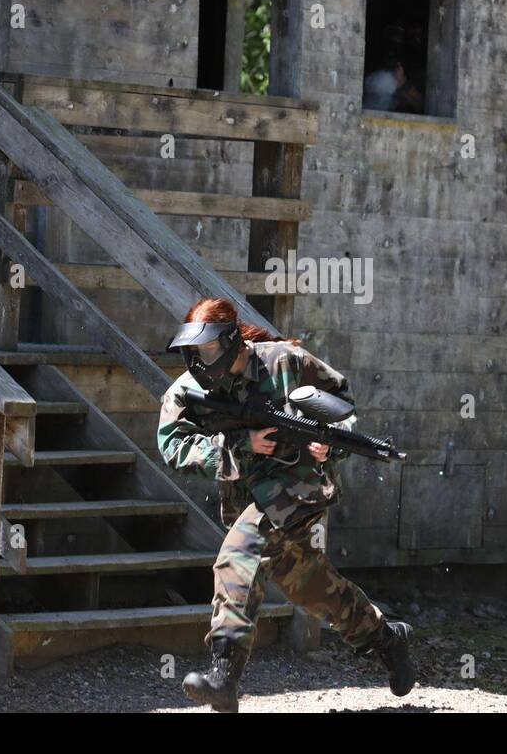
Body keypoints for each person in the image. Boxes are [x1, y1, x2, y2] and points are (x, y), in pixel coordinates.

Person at [157, 297, 415, 712]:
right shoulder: (191, 388)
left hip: (300, 486)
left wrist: (327, 445)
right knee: (309, 587)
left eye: (207, 351)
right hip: (251, 496)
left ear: (231, 340)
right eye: (194, 353)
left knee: (236, 556)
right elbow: (172, 445)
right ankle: (387, 639)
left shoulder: (285, 362)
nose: (200, 361)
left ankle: (223, 676)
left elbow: (342, 405)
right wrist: (244, 445)